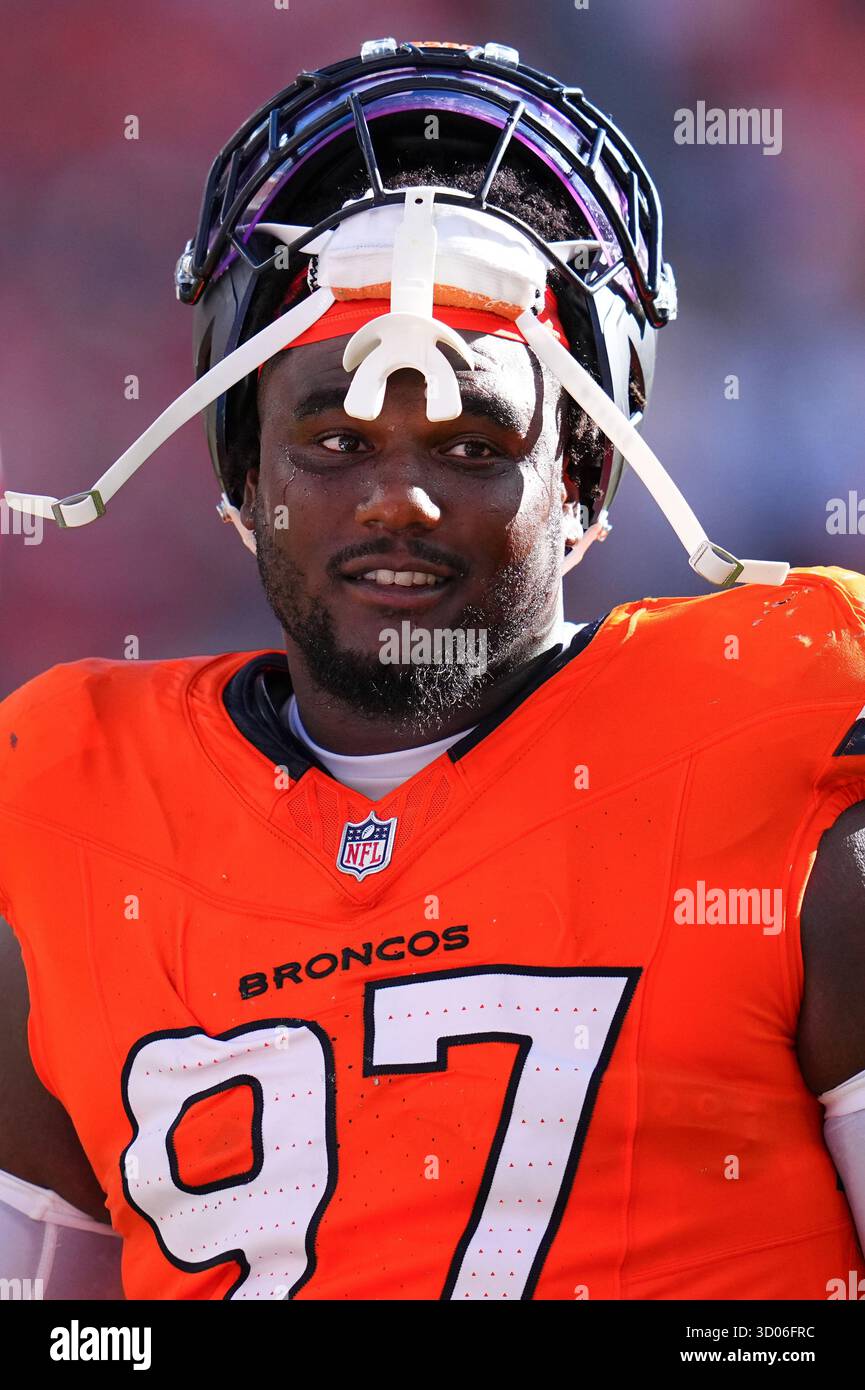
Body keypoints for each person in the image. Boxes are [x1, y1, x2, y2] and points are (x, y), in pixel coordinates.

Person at [1, 38, 863, 1301]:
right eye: (335, 437)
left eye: (472, 445)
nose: (395, 498)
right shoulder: (70, 821)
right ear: (242, 472)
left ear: (582, 478)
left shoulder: (786, 775)